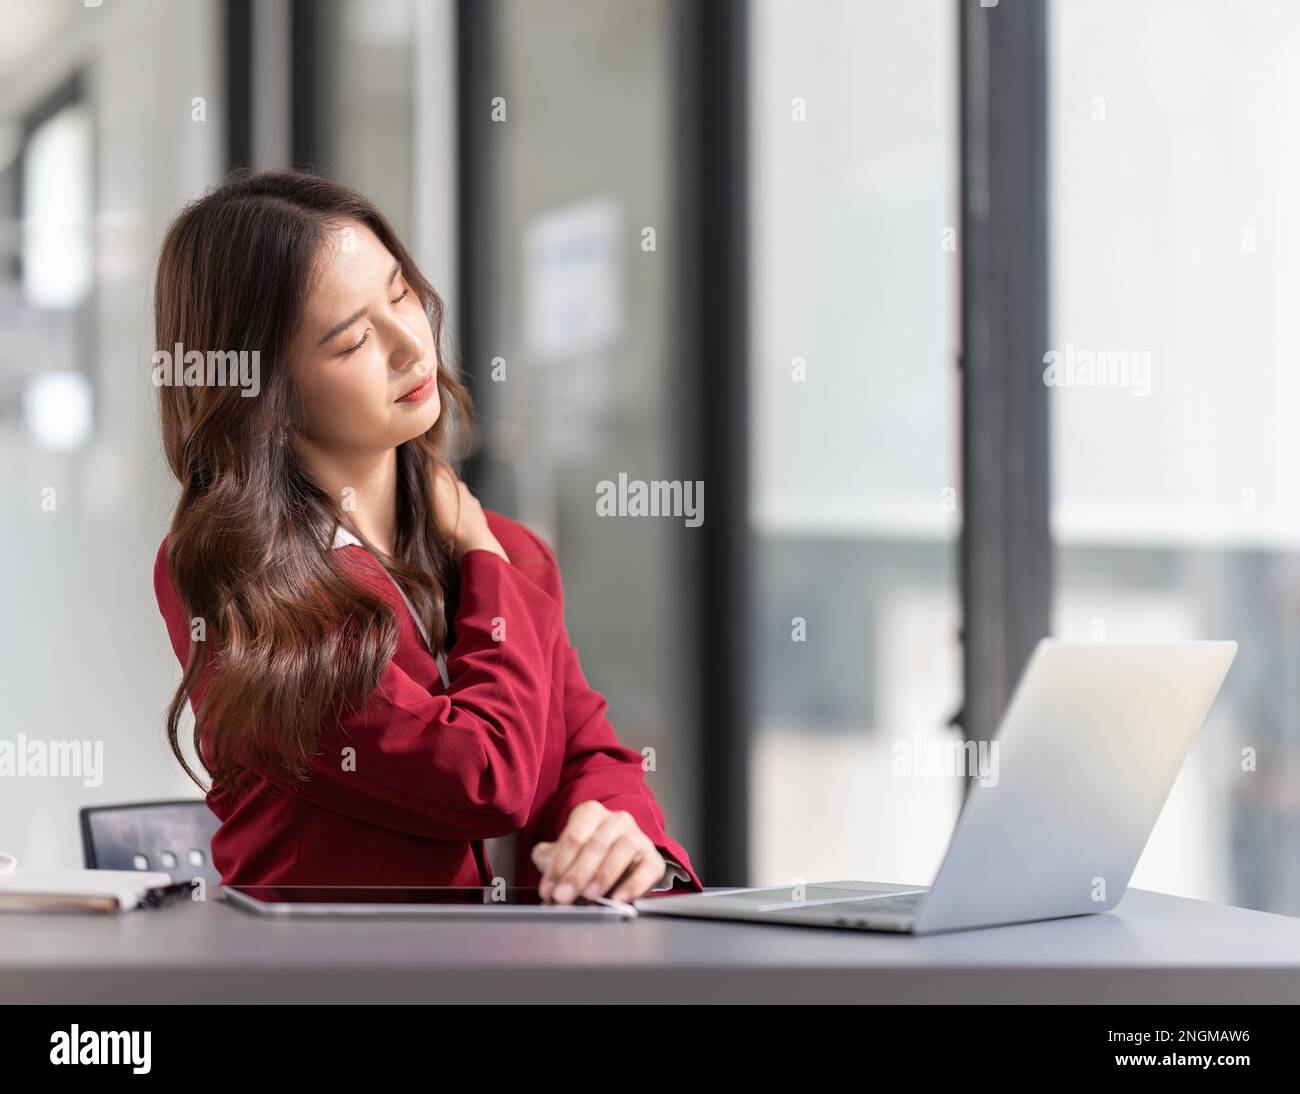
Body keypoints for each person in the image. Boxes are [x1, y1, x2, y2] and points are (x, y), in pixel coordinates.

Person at [152, 169, 699, 903]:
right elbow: (483, 777)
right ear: (264, 394)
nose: (412, 346)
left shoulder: (508, 550)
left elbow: (585, 750)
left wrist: (618, 831)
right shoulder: (242, 576)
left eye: (401, 293)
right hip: (333, 964)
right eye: (353, 340)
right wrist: (485, 561)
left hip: (521, 958)